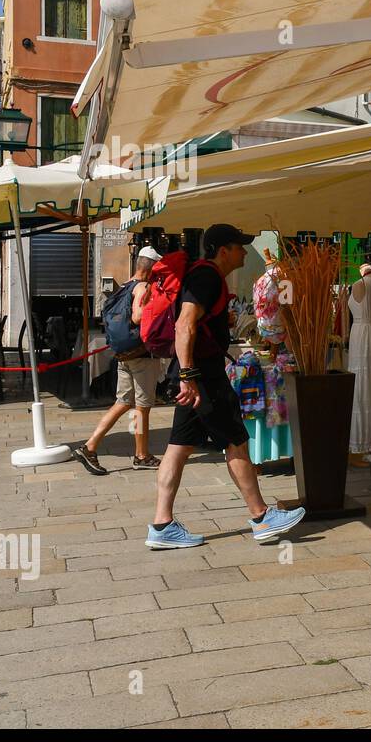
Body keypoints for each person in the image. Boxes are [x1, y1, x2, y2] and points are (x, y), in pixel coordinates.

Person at [147, 224, 305, 550]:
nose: (245, 252)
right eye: (239, 247)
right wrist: (190, 376)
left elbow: (193, 324)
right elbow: (184, 324)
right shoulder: (207, 277)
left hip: (194, 374)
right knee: (236, 440)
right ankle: (262, 517)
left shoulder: (204, 277)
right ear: (223, 250)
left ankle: (161, 525)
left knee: (178, 446)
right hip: (203, 377)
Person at [74, 246, 165, 474]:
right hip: (141, 355)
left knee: (123, 402)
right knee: (142, 407)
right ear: (152, 268)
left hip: (123, 354)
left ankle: (90, 445)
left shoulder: (123, 286)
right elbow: (138, 316)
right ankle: (141, 455)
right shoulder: (144, 287)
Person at [347, 262, 371, 468]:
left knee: (362, 387)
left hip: (361, 335)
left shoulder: (360, 284)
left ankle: (365, 441)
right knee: (370, 384)